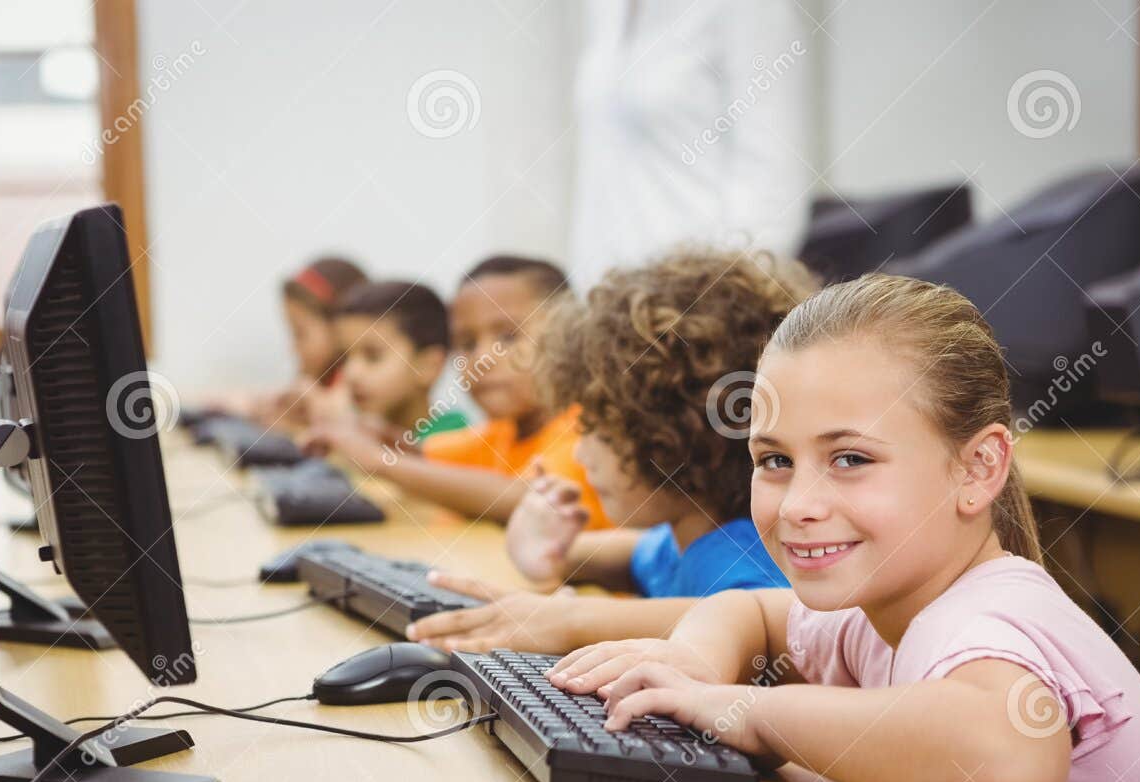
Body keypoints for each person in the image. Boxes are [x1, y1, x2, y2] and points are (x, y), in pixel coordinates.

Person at [548, 274, 1140, 782]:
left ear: (978, 468)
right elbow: (751, 613)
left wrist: (748, 712)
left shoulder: (986, 619)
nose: (799, 505)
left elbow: (1010, 757)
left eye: (850, 459)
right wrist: (694, 663)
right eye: (775, 461)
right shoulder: (886, 601)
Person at [409, 248, 814, 655]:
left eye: (595, 429)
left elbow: (766, 622)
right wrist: (551, 551)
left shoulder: (737, 559)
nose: (580, 455)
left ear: (671, 432)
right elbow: (634, 553)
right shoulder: (689, 536)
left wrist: (573, 620)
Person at [307, 256, 608, 527]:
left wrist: (378, 460)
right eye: (467, 343)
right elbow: (429, 458)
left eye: (508, 337)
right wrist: (383, 438)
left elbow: (527, 498)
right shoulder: (501, 431)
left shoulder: (587, 431)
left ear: (570, 336)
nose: (482, 358)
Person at [568, 0, 812, 283]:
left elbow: (772, 182)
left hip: (697, 291)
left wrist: (729, 291)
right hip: (605, 291)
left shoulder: (750, 7)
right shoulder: (603, 8)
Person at [210, 256, 367, 426]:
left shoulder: (353, 386)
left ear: (340, 330)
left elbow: (345, 414)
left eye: (300, 333)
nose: (293, 348)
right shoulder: (318, 382)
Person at [317, 280, 468, 449]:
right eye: (343, 357)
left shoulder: (459, 441)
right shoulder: (352, 431)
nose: (351, 372)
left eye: (373, 356)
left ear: (428, 366)